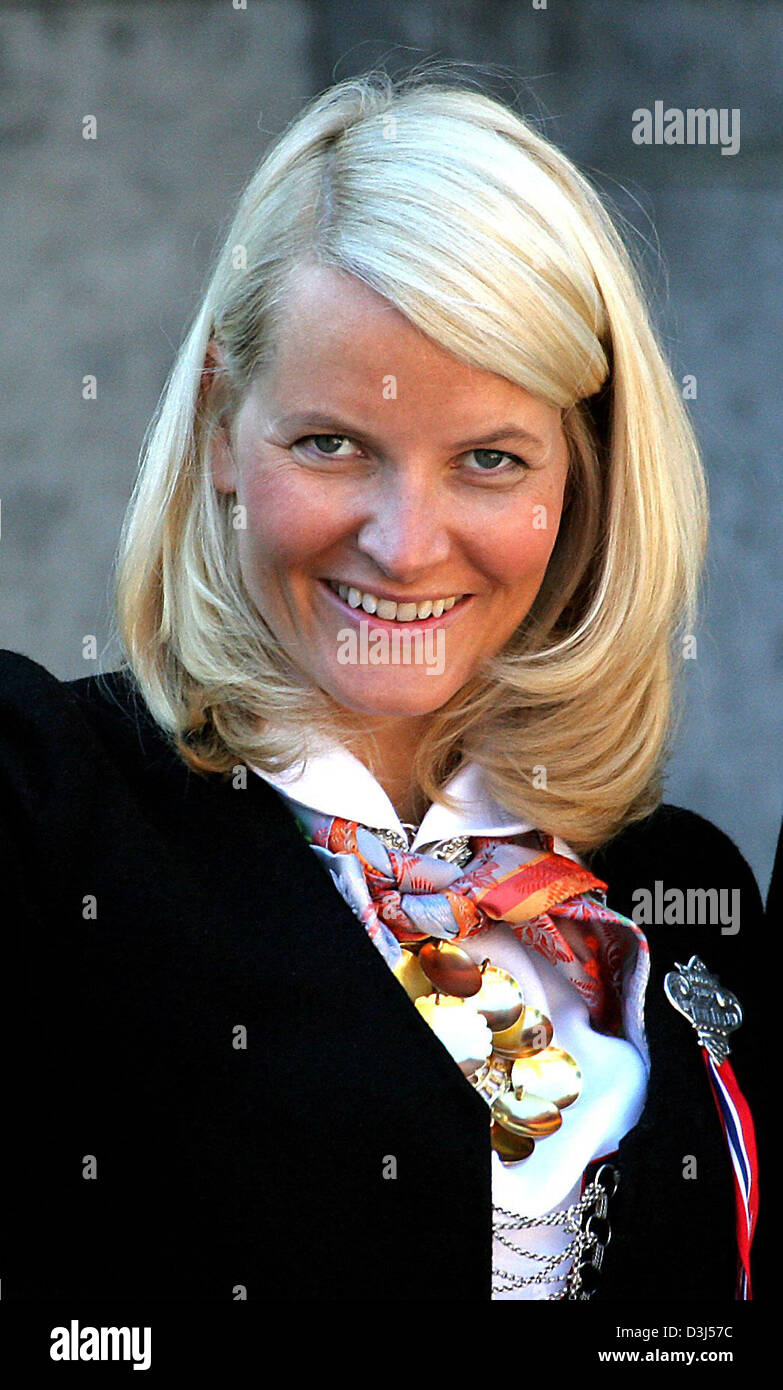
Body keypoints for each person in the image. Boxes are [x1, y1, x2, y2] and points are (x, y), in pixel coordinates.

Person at [0, 69, 762, 1303]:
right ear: (217, 433)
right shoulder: (41, 806)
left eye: (488, 459)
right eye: (332, 442)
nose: (406, 545)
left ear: (578, 477)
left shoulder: (689, 886)